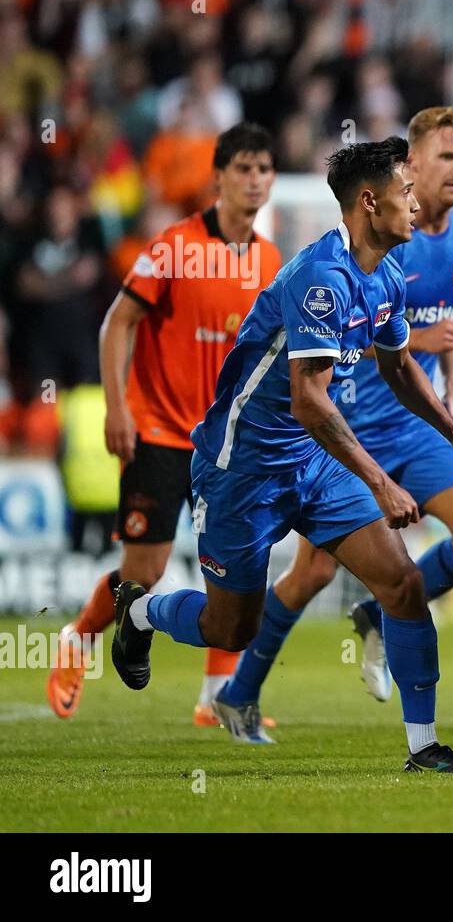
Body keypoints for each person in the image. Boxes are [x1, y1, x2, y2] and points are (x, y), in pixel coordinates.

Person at [110, 137, 453, 774]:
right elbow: (310, 402)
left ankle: (424, 747)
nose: (417, 201)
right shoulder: (321, 278)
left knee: (402, 584)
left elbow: (399, 369)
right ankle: (141, 610)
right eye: (405, 191)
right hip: (243, 468)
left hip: (315, 463)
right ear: (369, 202)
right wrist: (381, 482)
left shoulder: (389, 273)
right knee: (232, 629)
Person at [214, 106, 453, 720]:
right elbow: (342, 356)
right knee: (308, 578)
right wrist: (413, 351)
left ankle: (382, 628)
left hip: (409, 425)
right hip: (344, 425)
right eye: (445, 157)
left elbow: (442, 330)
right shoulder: (346, 261)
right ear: (413, 166)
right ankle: (239, 690)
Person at [47, 123, 282, 722]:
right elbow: (117, 323)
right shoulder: (175, 246)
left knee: (232, 567)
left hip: (227, 445)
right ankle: (78, 638)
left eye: (263, 170)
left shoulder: (271, 259)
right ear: (219, 177)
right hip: (159, 432)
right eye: (243, 169)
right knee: (143, 574)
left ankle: (215, 701)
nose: (254, 180)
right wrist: (117, 407)